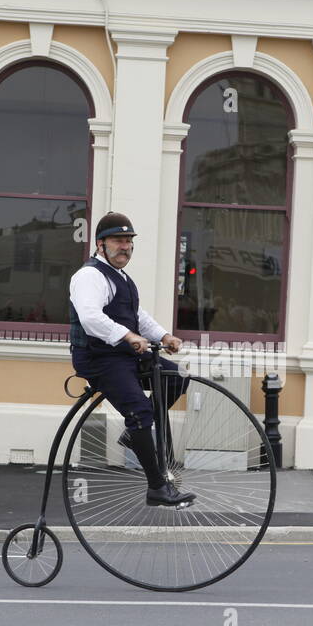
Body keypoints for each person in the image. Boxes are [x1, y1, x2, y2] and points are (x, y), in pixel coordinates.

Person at [69, 212, 195, 507]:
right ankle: (157, 488)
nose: (124, 247)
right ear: (100, 244)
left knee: (176, 378)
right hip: (99, 358)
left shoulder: (121, 278)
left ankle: (132, 434)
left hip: (123, 355)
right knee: (139, 411)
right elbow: (90, 318)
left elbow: (136, 316)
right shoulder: (89, 276)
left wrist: (164, 336)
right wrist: (128, 336)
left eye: (128, 241)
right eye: (117, 241)